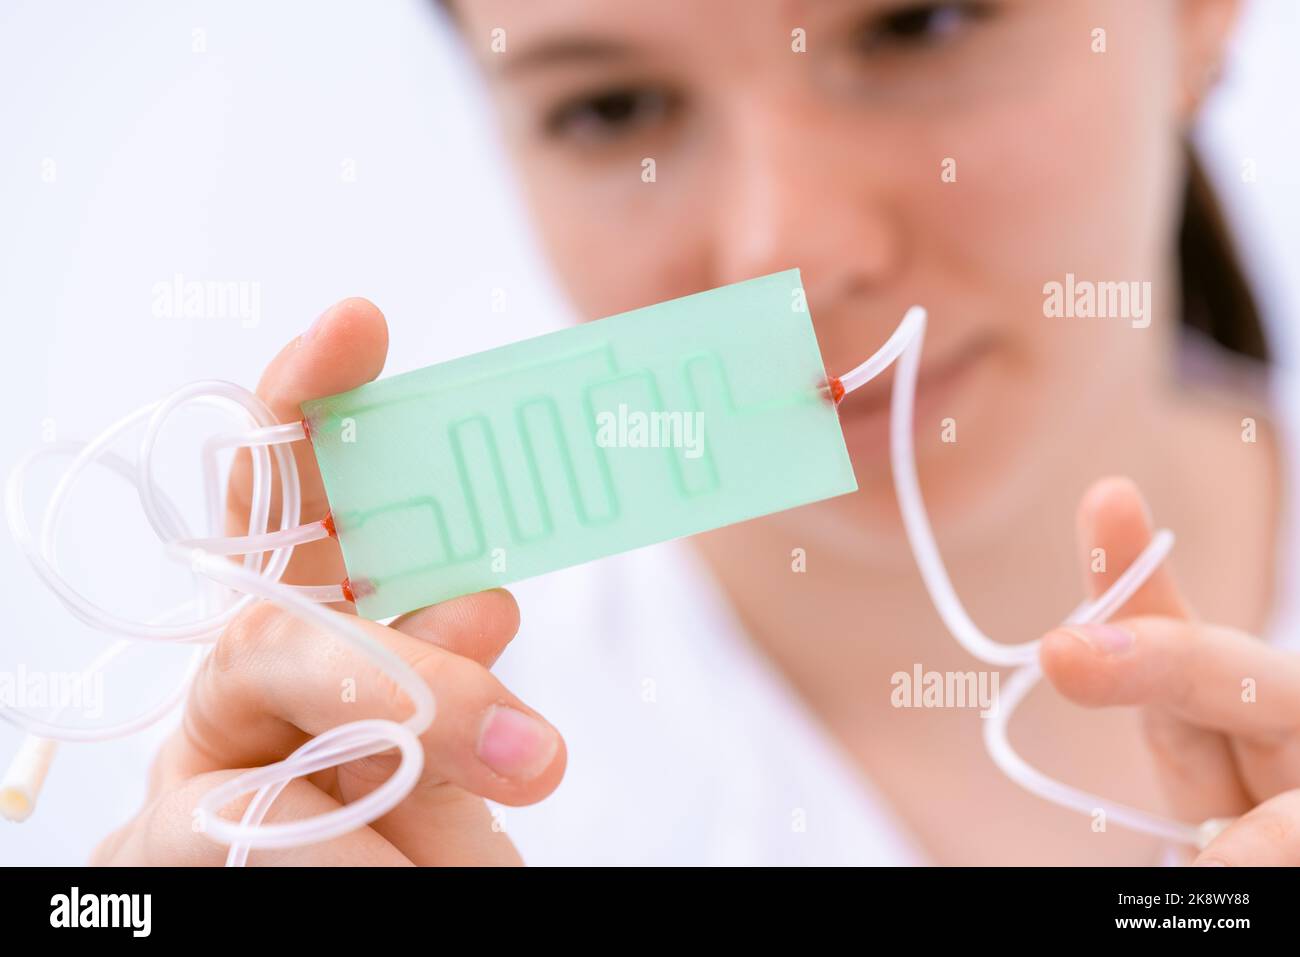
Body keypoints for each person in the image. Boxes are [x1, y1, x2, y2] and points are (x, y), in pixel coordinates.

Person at [93, 0, 1300, 865]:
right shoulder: (341, 777)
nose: (798, 252)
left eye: (917, 24)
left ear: (1200, 16)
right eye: (613, 106)